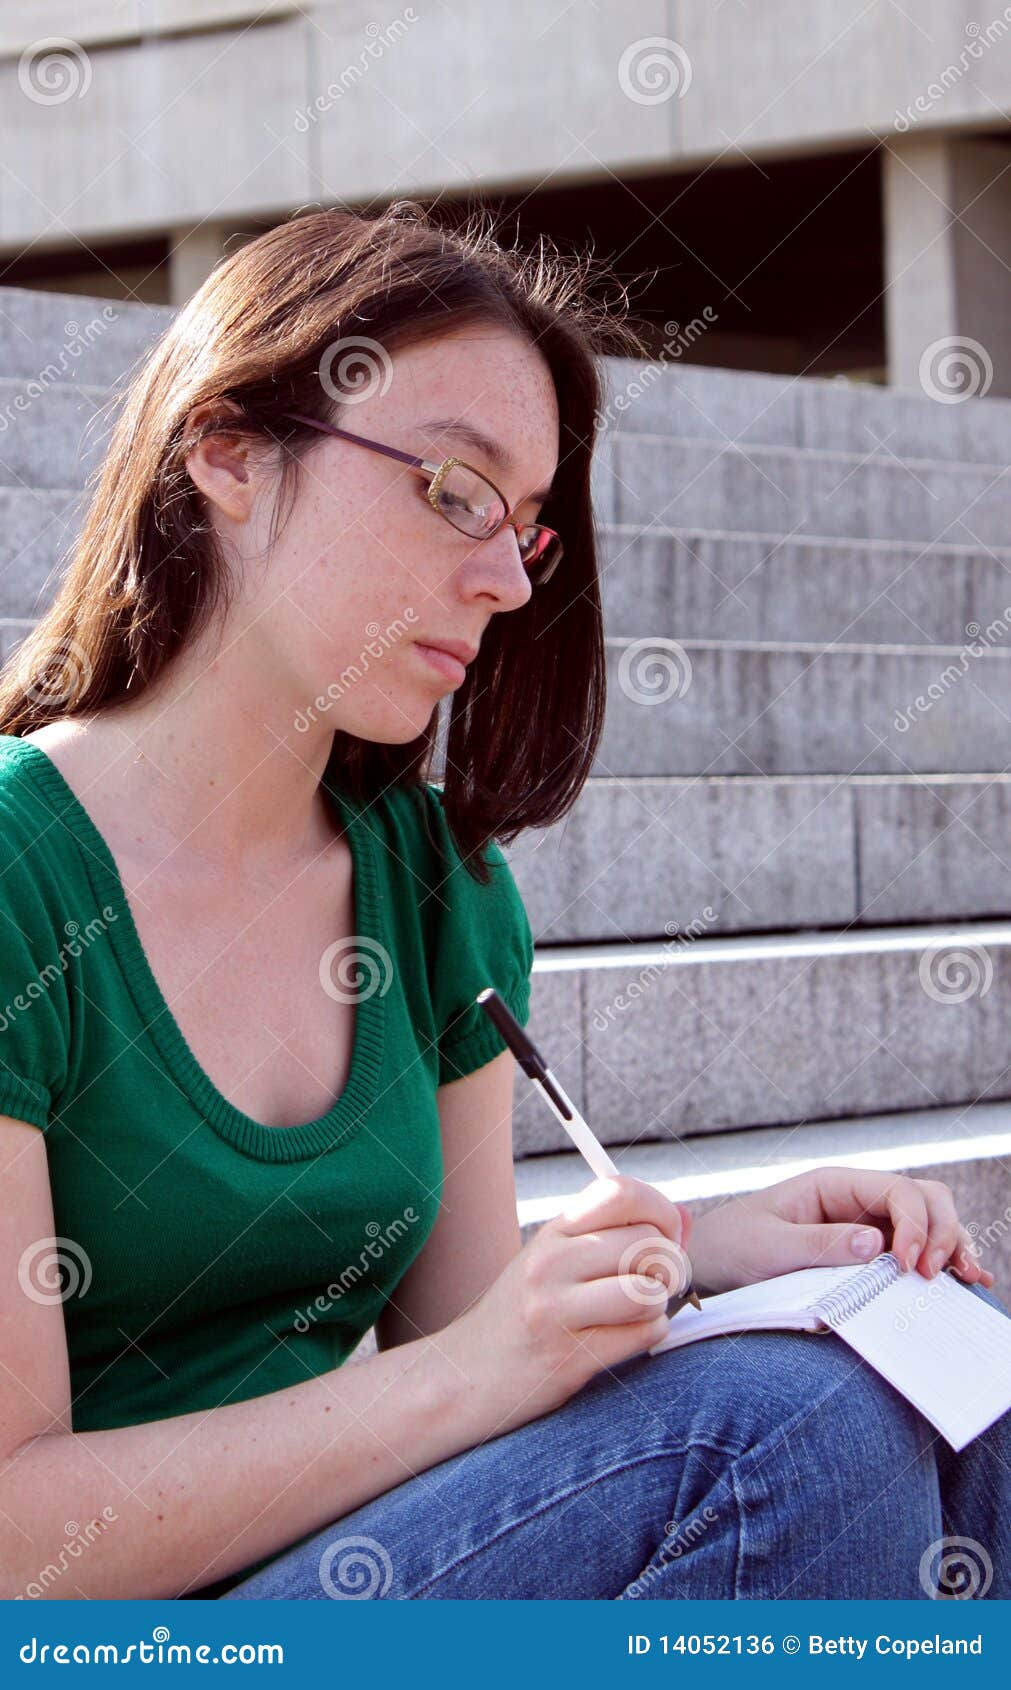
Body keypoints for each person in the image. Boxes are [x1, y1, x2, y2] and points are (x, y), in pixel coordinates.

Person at [0, 202, 1006, 1604]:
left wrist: (700, 1255)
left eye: (525, 530)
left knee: (951, 1364)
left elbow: (463, 1335)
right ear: (224, 450)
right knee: (790, 1427)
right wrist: (482, 1367)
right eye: (454, 490)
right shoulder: (16, 873)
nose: (499, 577)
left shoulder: (430, 880)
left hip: (347, 1576)